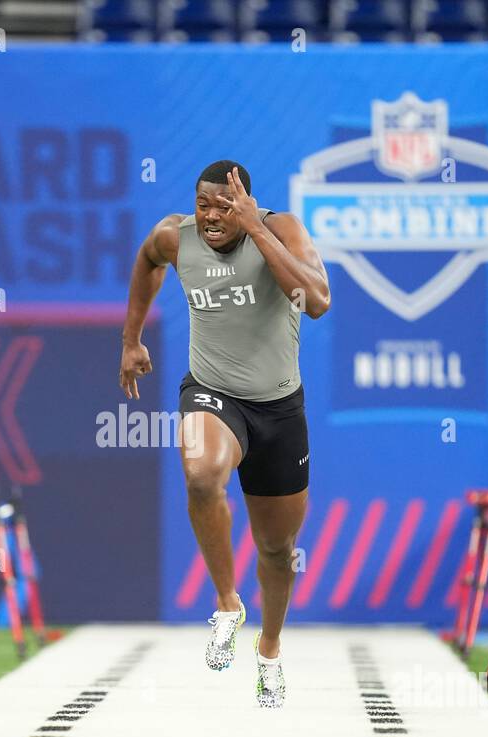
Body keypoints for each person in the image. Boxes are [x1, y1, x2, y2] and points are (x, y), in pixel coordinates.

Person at [118, 160, 330, 708]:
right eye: (203, 205)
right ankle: (227, 603)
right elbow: (146, 261)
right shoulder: (175, 235)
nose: (212, 217)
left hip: (280, 408)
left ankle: (270, 650)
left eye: (224, 207)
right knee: (202, 473)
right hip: (213, 391)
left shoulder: (280, 229)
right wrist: (132, 339)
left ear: (247, 204)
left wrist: (256, 229)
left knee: (277, 549)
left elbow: (319, 302)